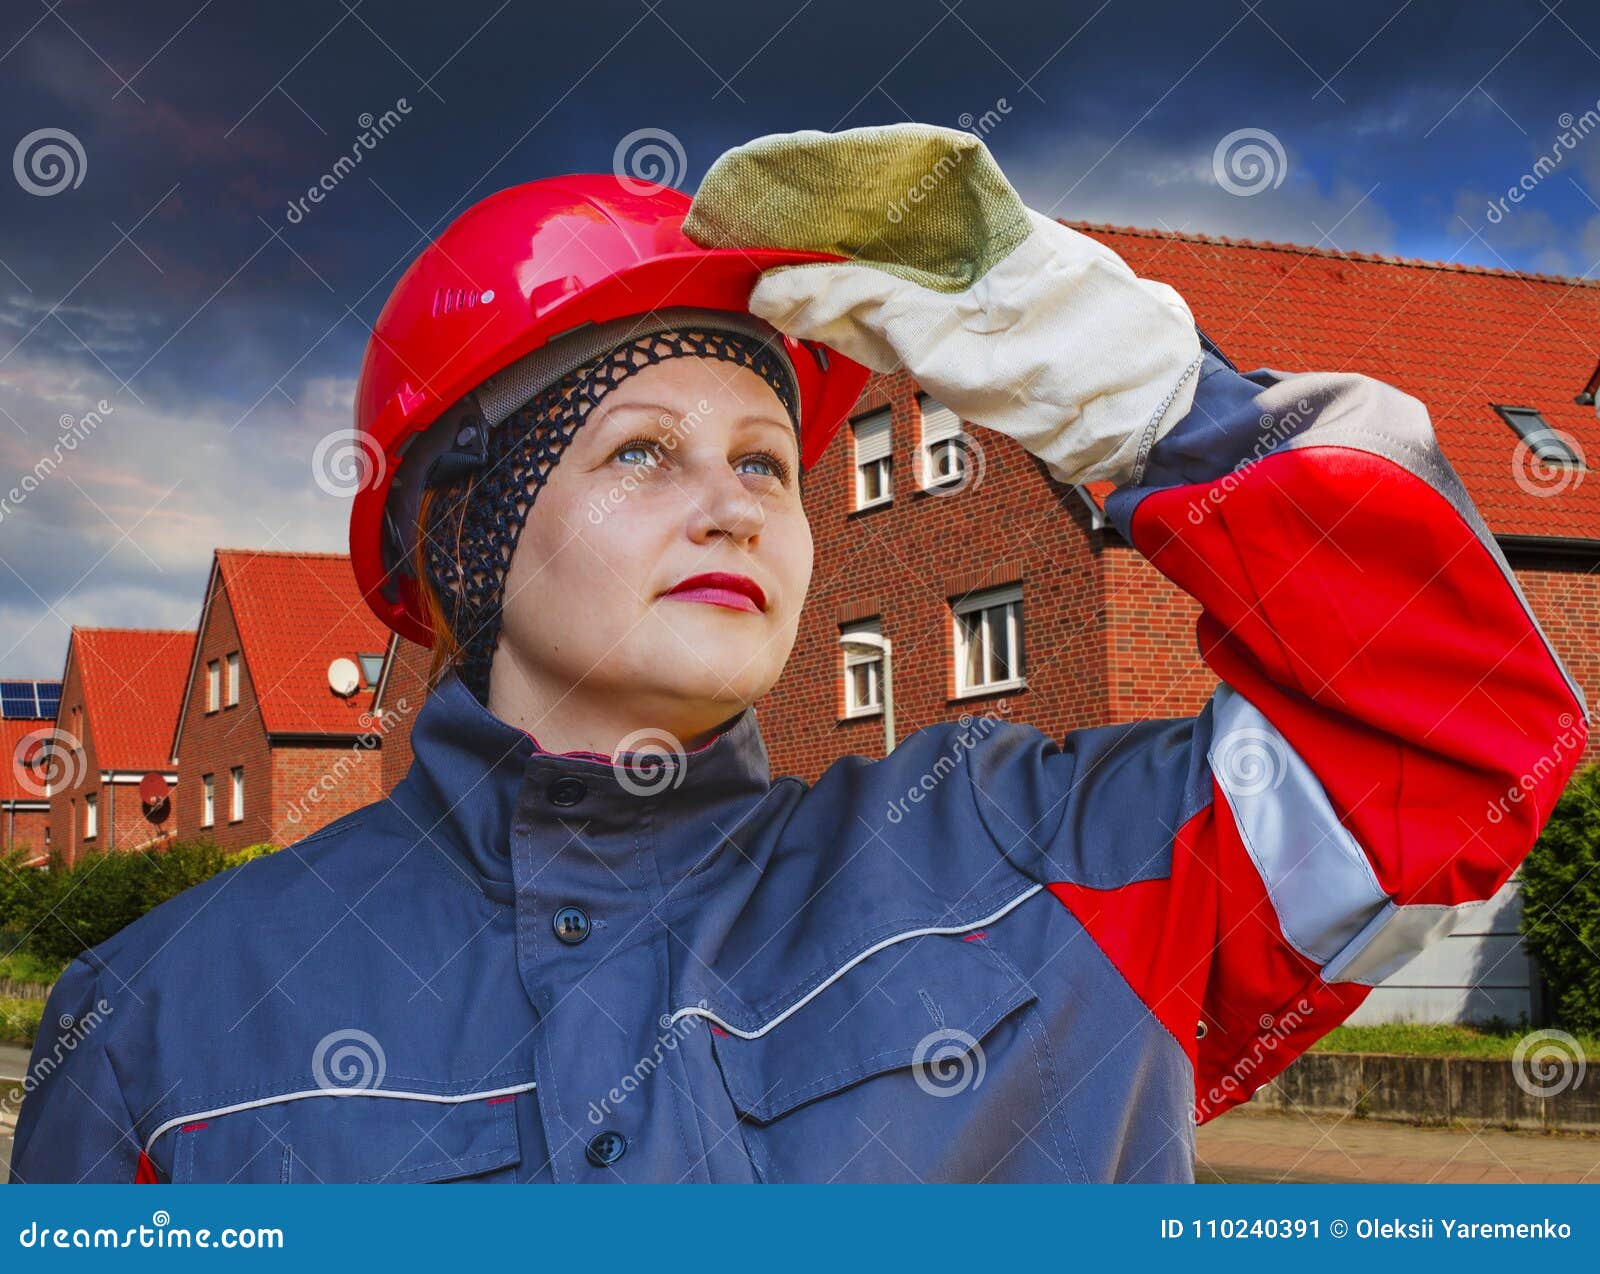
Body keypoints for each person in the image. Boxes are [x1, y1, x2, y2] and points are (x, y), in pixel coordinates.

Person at [9, 124, 1585, 1184]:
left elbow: (1446, 748)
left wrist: (1177, 415)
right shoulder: (155, 1025)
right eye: (639, 451)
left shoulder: (1027, 856)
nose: (732, 506)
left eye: (767, 462)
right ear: (451, 534)